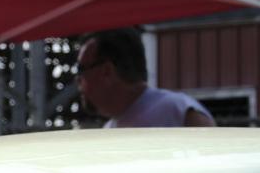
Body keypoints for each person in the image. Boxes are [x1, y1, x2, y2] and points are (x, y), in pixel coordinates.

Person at [76, 27, 214, 127]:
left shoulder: (179, 111)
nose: (78, 79)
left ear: (106, 70)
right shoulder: (109, 129)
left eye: (81, 69)